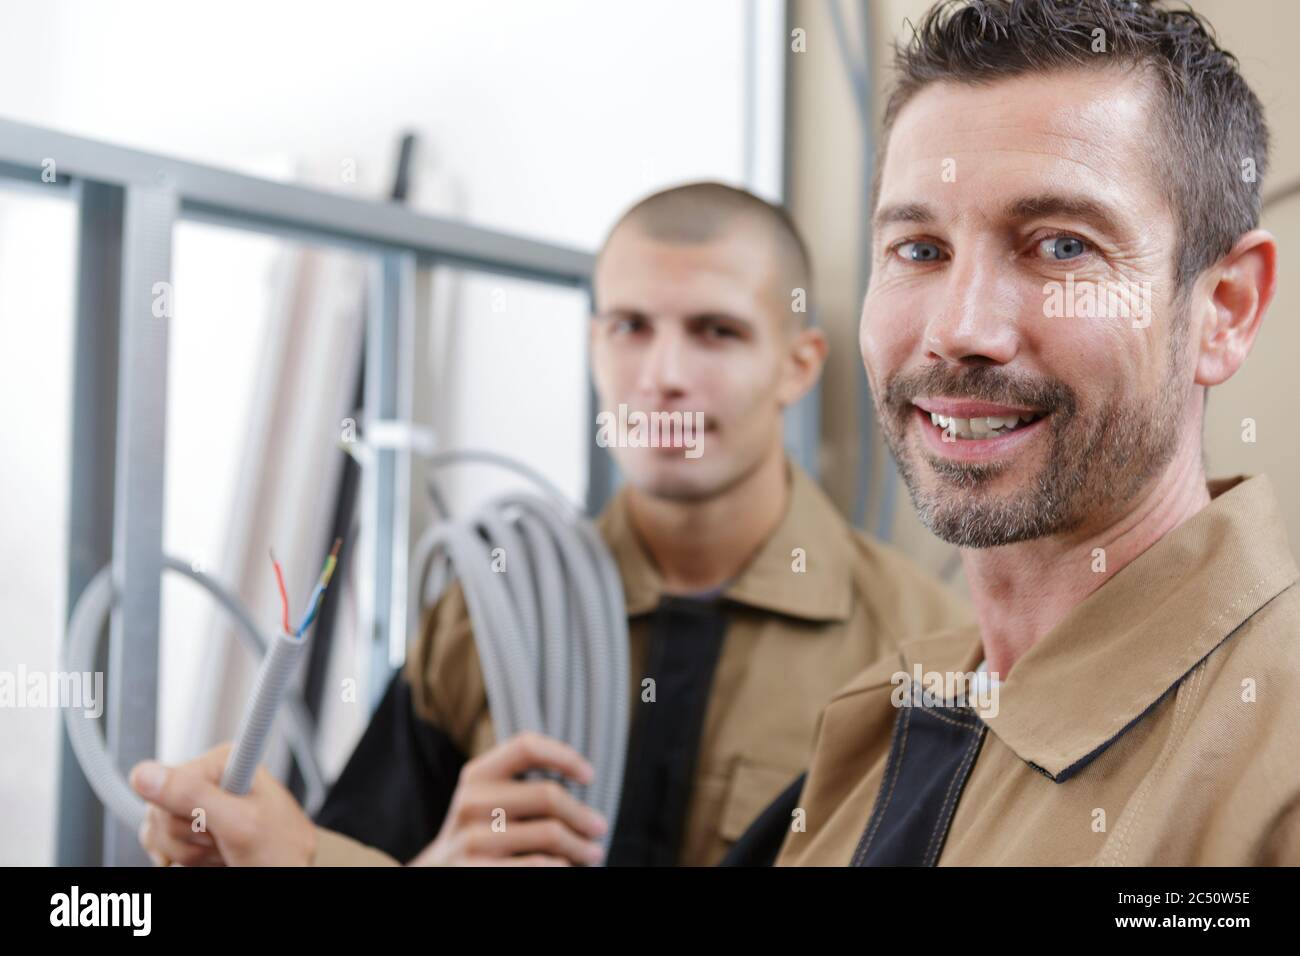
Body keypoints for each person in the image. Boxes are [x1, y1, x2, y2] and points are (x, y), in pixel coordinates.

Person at [129, 182, 971, 867]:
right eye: (630, 327)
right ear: (594, 346)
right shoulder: (488, 615)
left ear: (797, 366)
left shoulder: (921, 654)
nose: (663, 376)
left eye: (716, 332)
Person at [734, 0, 1299, 866]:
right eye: (919, 250)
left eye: (1061, 246)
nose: (961, 328)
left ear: (1225, 309)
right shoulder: (880, 727)